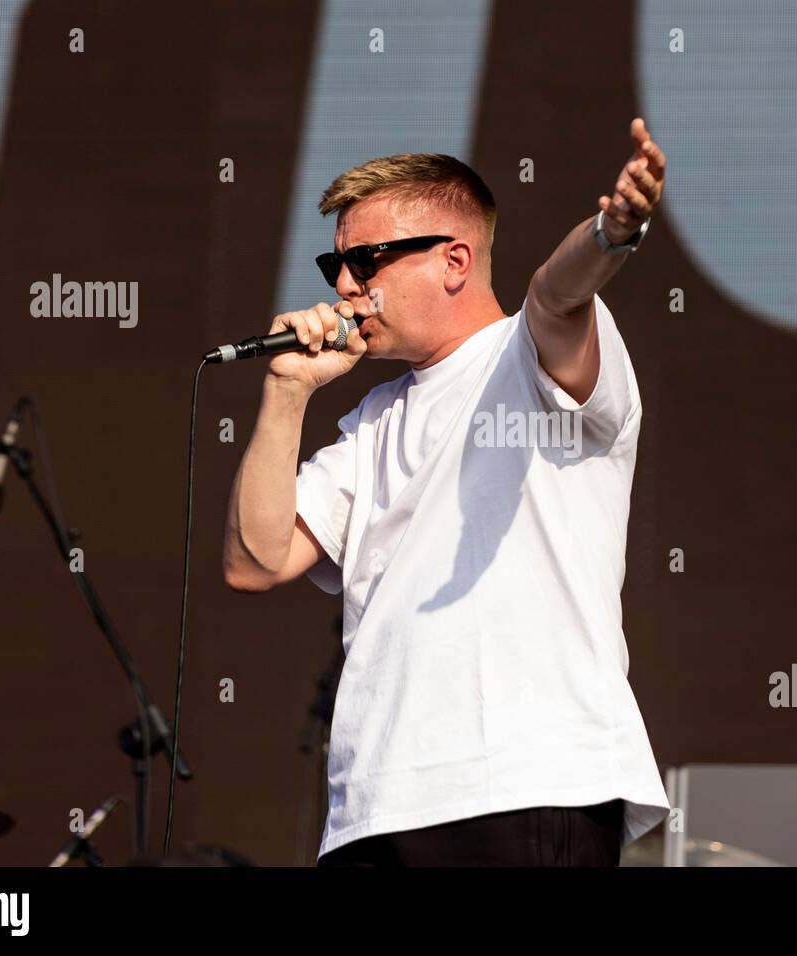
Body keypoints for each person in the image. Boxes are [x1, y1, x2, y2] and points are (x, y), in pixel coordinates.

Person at [222, 117, 670, 866]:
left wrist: (609, 232)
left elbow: (555, 297)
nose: (342, 287)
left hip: (520, 788)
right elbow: (255, 560)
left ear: (455, 261)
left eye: (365, 261)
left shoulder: (524, 353)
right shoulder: (371, 422)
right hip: (375, 812)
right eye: (333, 264)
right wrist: (287, 391)